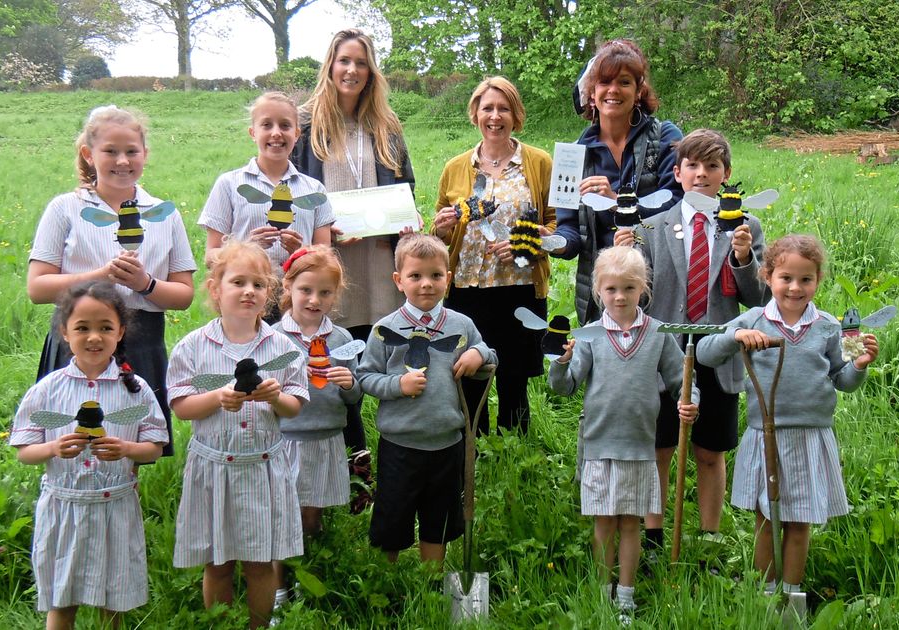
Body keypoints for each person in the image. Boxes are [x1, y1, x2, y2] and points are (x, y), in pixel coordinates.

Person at [696, 234, 879, 596]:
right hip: (766, 434)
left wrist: (859, 364)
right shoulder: (754, 320)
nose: (795, 288)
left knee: (800, 522)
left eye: (805, 280)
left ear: (817, 280)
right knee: (767, 519)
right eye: (786, 278)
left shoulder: (829, 326)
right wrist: (736, 336)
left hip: (810, 435)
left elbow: (843, 380)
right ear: (768, 277)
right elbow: (704, 352)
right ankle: (765, 594)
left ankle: (790, 593)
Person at [617, 129, 769, 563]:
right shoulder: (652, 226)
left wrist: (743, 259)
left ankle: (708, 538)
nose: (702, 174)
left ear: (727, 174)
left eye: (712, 166)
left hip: (720, 350)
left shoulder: (744, 226)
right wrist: (623, 257)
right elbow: (633, 298)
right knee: (660, 446)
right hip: (664, 353)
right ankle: (653, 536)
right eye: (693, 166)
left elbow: (758, 300)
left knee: (710, 449)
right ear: (678, 173)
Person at [290, 28, 418, 508]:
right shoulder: (305, 126)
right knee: (334, 364)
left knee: (379, 360)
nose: (352, 71)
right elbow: (292, 194)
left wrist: (409, 222)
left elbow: (406, 190)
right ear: (330, 66)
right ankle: (347, 465)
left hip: (379, 263)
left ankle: (392, 462)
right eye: (344, 61)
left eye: (361, 63)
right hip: (329, 268)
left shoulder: (387, 126)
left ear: (371, 72)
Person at [27, 104, 195, 458]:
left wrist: (145, 283)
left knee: (126, 446)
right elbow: (38, 287)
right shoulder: (65, 209)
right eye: (110, 151)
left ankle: (123, 503)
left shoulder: (164, 213)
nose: (122, 161)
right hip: (79, 340)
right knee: (71, 441)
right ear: (89, 155)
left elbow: (183, 295)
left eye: (131, 151)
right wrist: (100, 277)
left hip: (140, 339)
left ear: (145, 154)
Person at [548, 246, 698, 622]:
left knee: (631, 522)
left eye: (629, 288)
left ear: (643, 288)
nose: (620, 296)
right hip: (599, 445)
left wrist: (690, 401)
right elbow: (565, 388)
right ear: (598, 290)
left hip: (639, 446)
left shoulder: (659, 333)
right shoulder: (590, 335)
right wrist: (559, 362)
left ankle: (626, 595)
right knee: (604, 523)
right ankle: (603, 590)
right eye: (611, 289)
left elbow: (682, 379)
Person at [166, 239, 310, 628]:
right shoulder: (193, 347)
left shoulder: (283, 346)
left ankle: (258, 625)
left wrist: (275, 397)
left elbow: (295, 405)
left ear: (270, 294)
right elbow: (181, 407)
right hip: (214, 470)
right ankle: (222, 623)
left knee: (261, 562)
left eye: (259, 285)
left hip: (263, 467)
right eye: (238, 282)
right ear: (216, 289)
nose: (249, 291)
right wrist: (217, 397)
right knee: (217, 562)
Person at [11, 281, 168, 630]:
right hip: (64, 509)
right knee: (62, 599)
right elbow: (25, 450)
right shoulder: (48, 391)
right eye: (82, 328)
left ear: (120, 332)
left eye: (105, 328)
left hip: (116, 508)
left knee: (114, 601)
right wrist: (52, 448)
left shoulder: (136, 389)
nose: (94, 337)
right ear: (64, 332)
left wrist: (127, 450)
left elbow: (154, 446)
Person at [357, 234, 497, 563]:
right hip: (400, 443)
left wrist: (478, 353)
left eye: (436, 275)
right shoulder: (384, 329)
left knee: (441, 518)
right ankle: (386, 579)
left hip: (447, 442)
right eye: (415, 276)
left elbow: (488, 358)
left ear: (448, 279)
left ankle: (429, 582)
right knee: (393, 515)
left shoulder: (461, 325)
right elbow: (365, 376)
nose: (426, 285)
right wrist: (397, 385)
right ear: (398, 280)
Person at [432, 76, 556, 436]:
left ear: (516, 115)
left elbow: (556, 225)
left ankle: (514, 456)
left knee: (514, 379)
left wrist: (525, 242)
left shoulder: (538, 163)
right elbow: (440, 228)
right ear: (475, 114)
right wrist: (440, 229)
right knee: (470, 377)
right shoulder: (457, 167)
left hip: (519, 288)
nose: (495, 116)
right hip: (467, 291)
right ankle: (473, 453)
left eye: (504, 108)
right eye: (488, 108)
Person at [554, 39, 684, 324]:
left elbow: (679, 205)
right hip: (606, 289)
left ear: (638, 92)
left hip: (660, 280)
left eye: (624, 82)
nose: (613, 90)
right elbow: (570, 232)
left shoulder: (664, 137)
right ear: (592, 93)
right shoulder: (573, 155)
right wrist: (551, 241)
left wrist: (616, 202)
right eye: (604, 82)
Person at [271, 245, 361, 609]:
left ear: (335, 295)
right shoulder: (272, 337)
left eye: (325, 292)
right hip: (285, 440)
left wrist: (349, 384)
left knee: (312, 514)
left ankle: (312, 576)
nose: (314, 299)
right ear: (287, 287)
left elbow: (356, 398)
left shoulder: (340, 339)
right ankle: (277, 590)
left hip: (326, 438)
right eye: (306, 290)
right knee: (281, 515)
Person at [199, 91, 336, 279]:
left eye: (285, 125)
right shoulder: (229, 184)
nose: (276, 133)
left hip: (297, 299)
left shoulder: (314, 189)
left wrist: (301, 252)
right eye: (266, 125)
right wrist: (246, 248)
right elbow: (210, 256)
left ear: (296, 134)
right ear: (253, 133)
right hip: (246, 297)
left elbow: (324, 257)